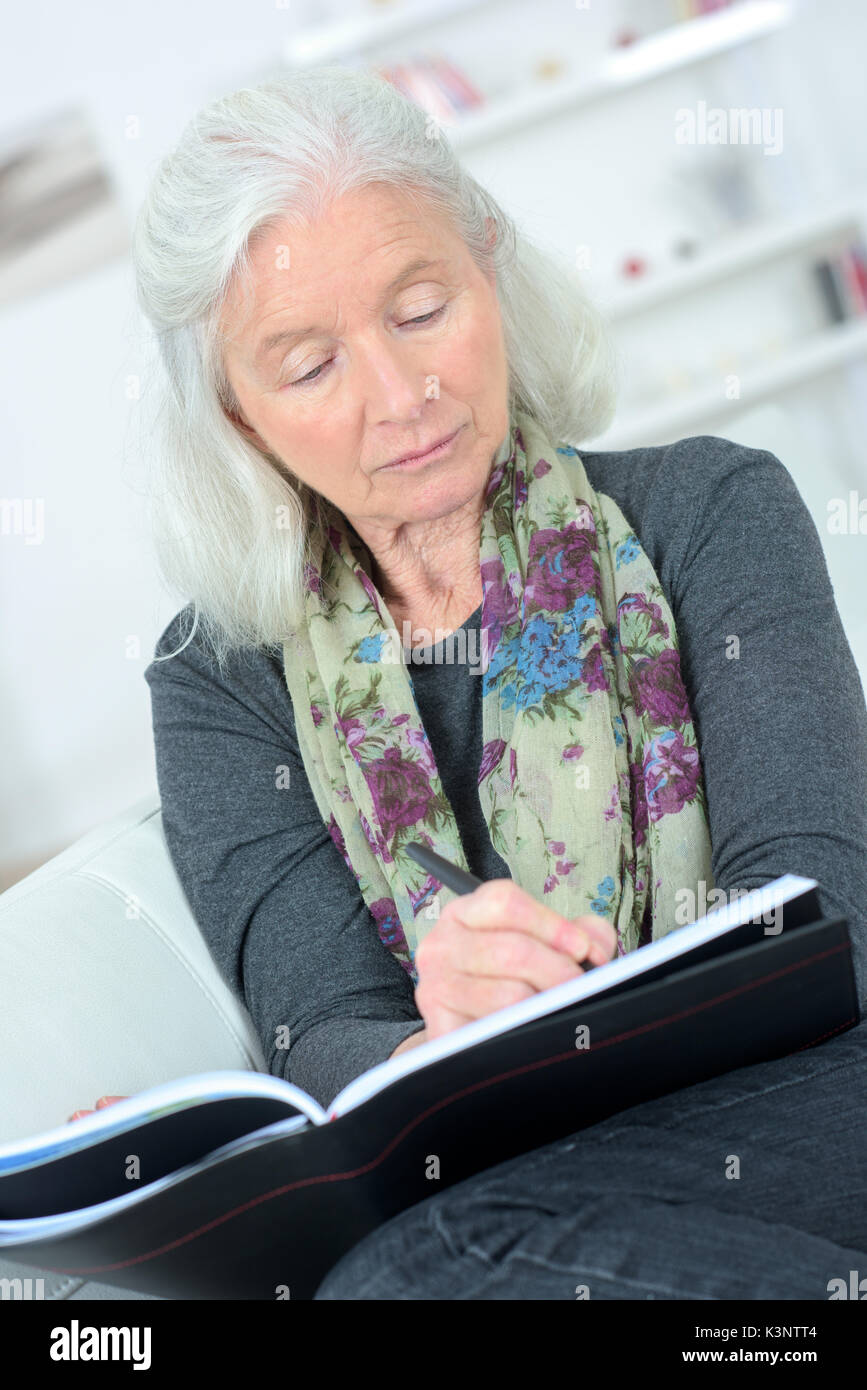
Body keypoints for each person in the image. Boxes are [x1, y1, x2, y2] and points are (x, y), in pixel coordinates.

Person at [84, 66, 867, 1298]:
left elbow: (827, 914)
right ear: (236, 416)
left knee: (417, 1269)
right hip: (498, 1196)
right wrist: (429, 1033)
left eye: (421, 306)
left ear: (490, 266)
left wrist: (536, 1033)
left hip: (791, 1113)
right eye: (308, 368)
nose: (404, 399)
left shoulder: (712, 507)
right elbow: (320, 1029)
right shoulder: (217, 679)